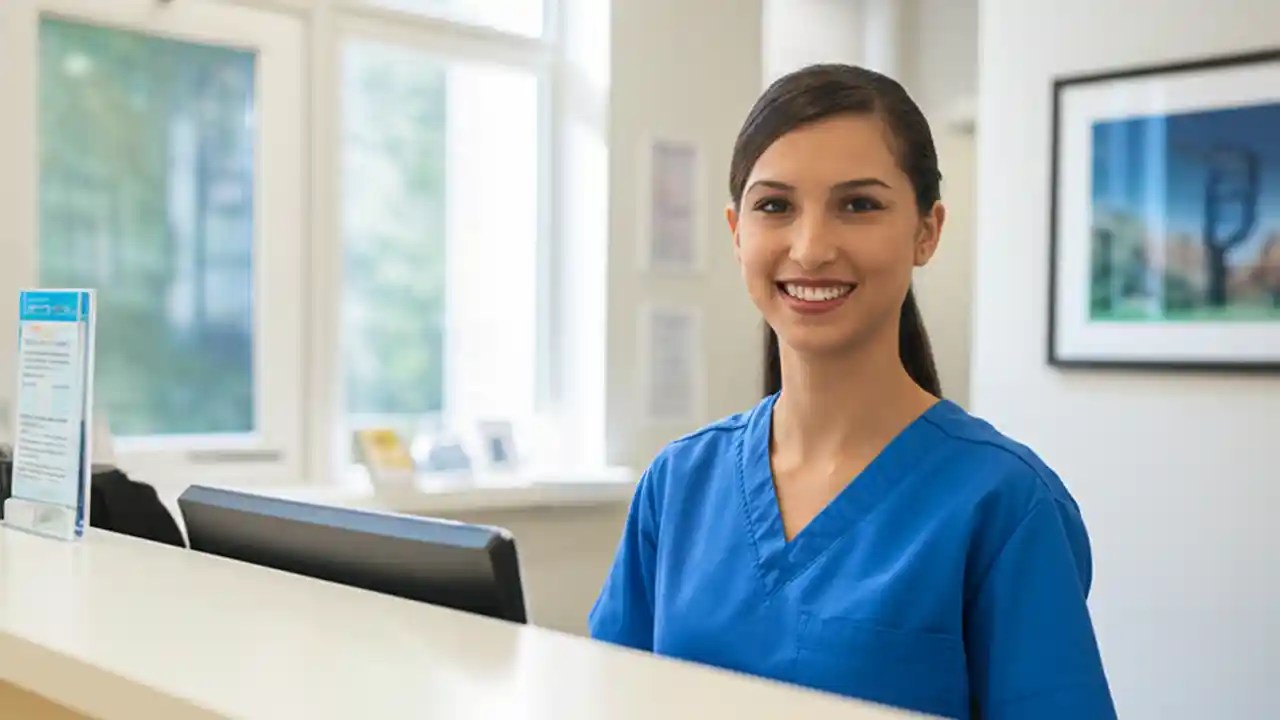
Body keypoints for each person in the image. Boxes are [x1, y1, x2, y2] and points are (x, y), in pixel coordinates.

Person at [588, 64, 1116, 719]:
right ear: (736, 231)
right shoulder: (677, 486)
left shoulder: (1004, 505)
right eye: (775, 206)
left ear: (927, 231)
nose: (810, 249)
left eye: (859, 205)